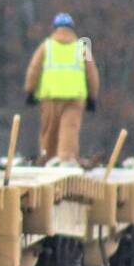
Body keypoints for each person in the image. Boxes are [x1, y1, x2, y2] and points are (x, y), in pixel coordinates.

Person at [24, 13, 100, 165]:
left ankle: (48, 159)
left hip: (50, 97)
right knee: (69, 130)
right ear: (72, 29)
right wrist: (92, 97)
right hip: (74, 98)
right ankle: (66, 160)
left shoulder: (46, 46)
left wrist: (30, 91)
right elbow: (92, 74)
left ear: (54, 28)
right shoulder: (82, 47)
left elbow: (34, 69)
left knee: (49, 132)